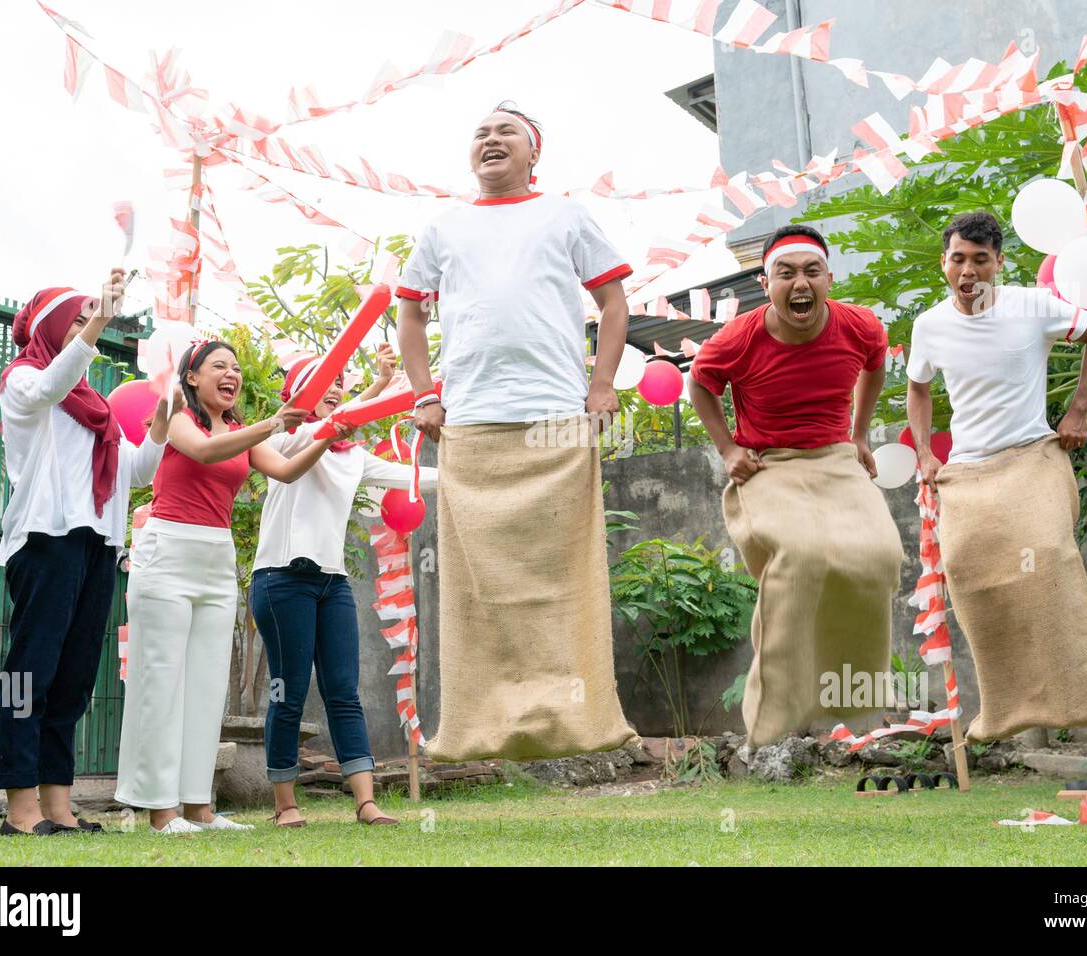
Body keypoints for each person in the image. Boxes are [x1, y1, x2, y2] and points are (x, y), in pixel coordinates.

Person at [396, 102, 636, 761]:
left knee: (564, 577)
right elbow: (410, 315)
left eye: (507, 132)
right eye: (480, 132)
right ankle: (475, 729)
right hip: (469, 422)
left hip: (557, 415)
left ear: (534, 153)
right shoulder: (443, 228)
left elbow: (614, 303)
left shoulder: (564, 214)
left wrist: (603, 381)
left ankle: (580, 723)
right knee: (480, 586)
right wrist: (425, 394)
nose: (491, 139)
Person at [906, 211, 1087, 741]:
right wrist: (923, 452)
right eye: (958, 259)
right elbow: (918, 388)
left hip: (1032, 457)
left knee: (1048, 556)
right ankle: (1005, 709)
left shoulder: (1034, 306)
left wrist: (1079, 410)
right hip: (966, 472)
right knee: (964, 570)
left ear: (999, 263)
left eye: (980, 260)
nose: (969, 271)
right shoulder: (929, 325)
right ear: (944, 263)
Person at [114, 339, 344, 834]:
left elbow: (283, 471)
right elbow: (200, 450)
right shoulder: (177, 412)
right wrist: (275, 423)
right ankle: (159, 811)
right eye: (219, 365)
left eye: (236, 368)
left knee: (206, 684)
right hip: (167, 552)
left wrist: (327, 436)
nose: (232, 374)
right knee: (161, 681)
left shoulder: (239, 430)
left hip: (217, 557)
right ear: (192, 376)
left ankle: (199, 806)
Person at [689, 225, 905, 749]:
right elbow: (699, 382)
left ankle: (858, 710)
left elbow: (875, 367)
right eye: (786, 273)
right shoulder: (740, 336)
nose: (799, 283)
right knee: (803, 557)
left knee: (880, 556)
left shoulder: (859, 326)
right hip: (770, 464)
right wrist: (727, 450)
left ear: (829, 279)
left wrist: (858, 434)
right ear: (766, 284)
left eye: (811, 271)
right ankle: (770, 727)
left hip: (834, 457)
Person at [0, 272, 180, 835]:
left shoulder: (97, 410)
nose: (88, 328)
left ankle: (57, 805)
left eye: (90, 319)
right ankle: (19, 808)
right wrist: (99, 320)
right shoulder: (24, 382)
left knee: (73, 678)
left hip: (98, 547)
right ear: (51, 327)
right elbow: (53, 383)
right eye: (76, 319)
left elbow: (138, 474)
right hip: (46, 540)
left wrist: (164, 421)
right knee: (28, 673)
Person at [249, 346, 438, 828]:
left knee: (343, 691)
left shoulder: (350, 455)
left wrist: (473, 473)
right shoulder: (287, 437)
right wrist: (369, 395)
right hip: (281, 578)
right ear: (301, 393)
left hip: (330, 583)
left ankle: (366, 802)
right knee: (286, 692)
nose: (335, 389)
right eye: (324, 383)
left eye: (340, 383)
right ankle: (285, 805)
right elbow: (315, 431)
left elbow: (411, 476)